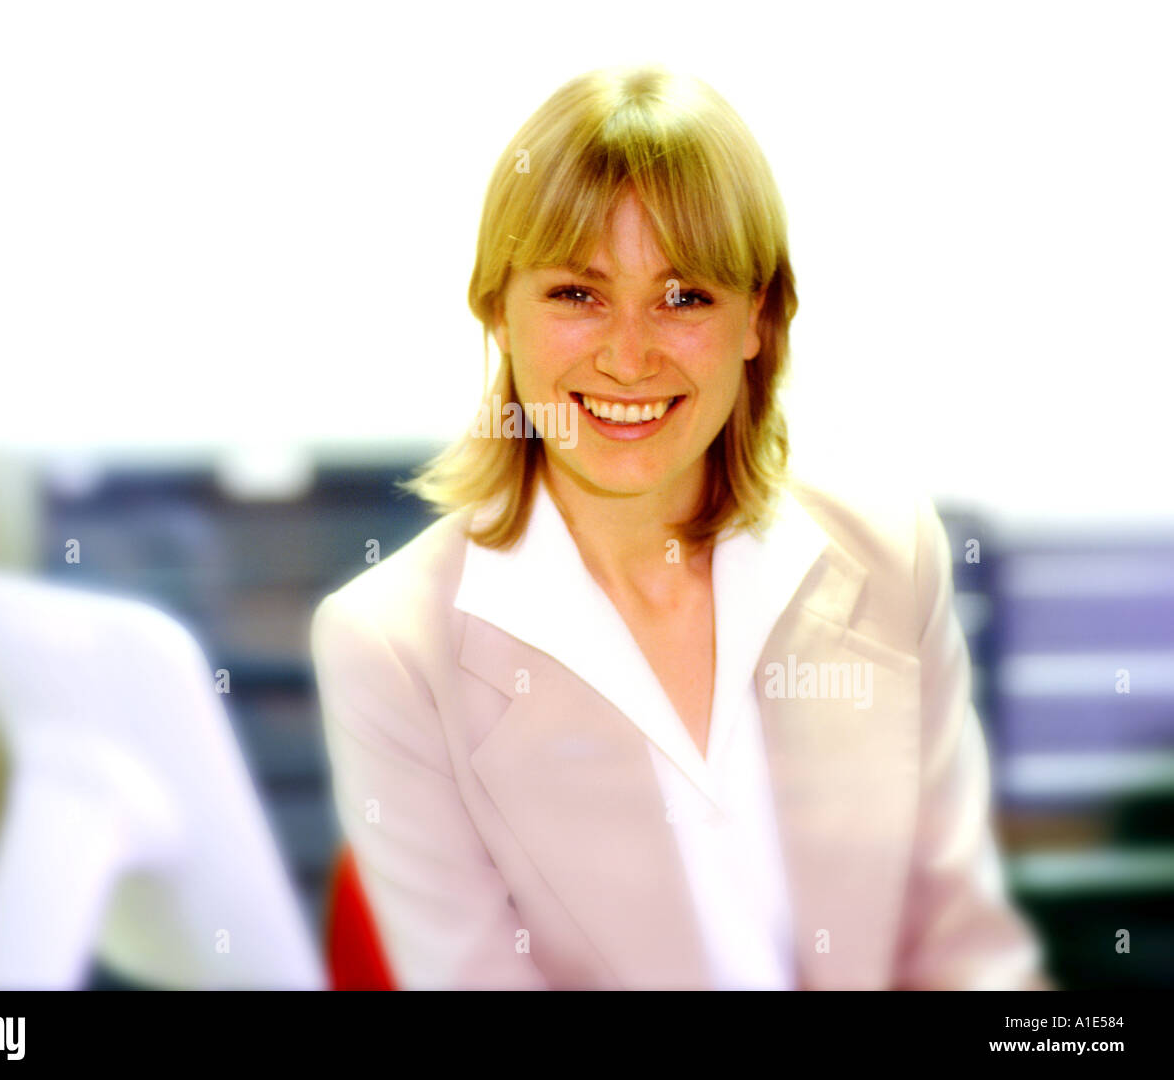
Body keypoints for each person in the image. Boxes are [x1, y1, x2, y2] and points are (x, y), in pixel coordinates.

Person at [309, 63, 1051, 990]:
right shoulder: (390, 645)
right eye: (577, 294)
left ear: (760, 320)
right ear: (499, 311)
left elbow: (965, 955)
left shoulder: (889, 554)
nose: (629, 354)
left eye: (685, 295)